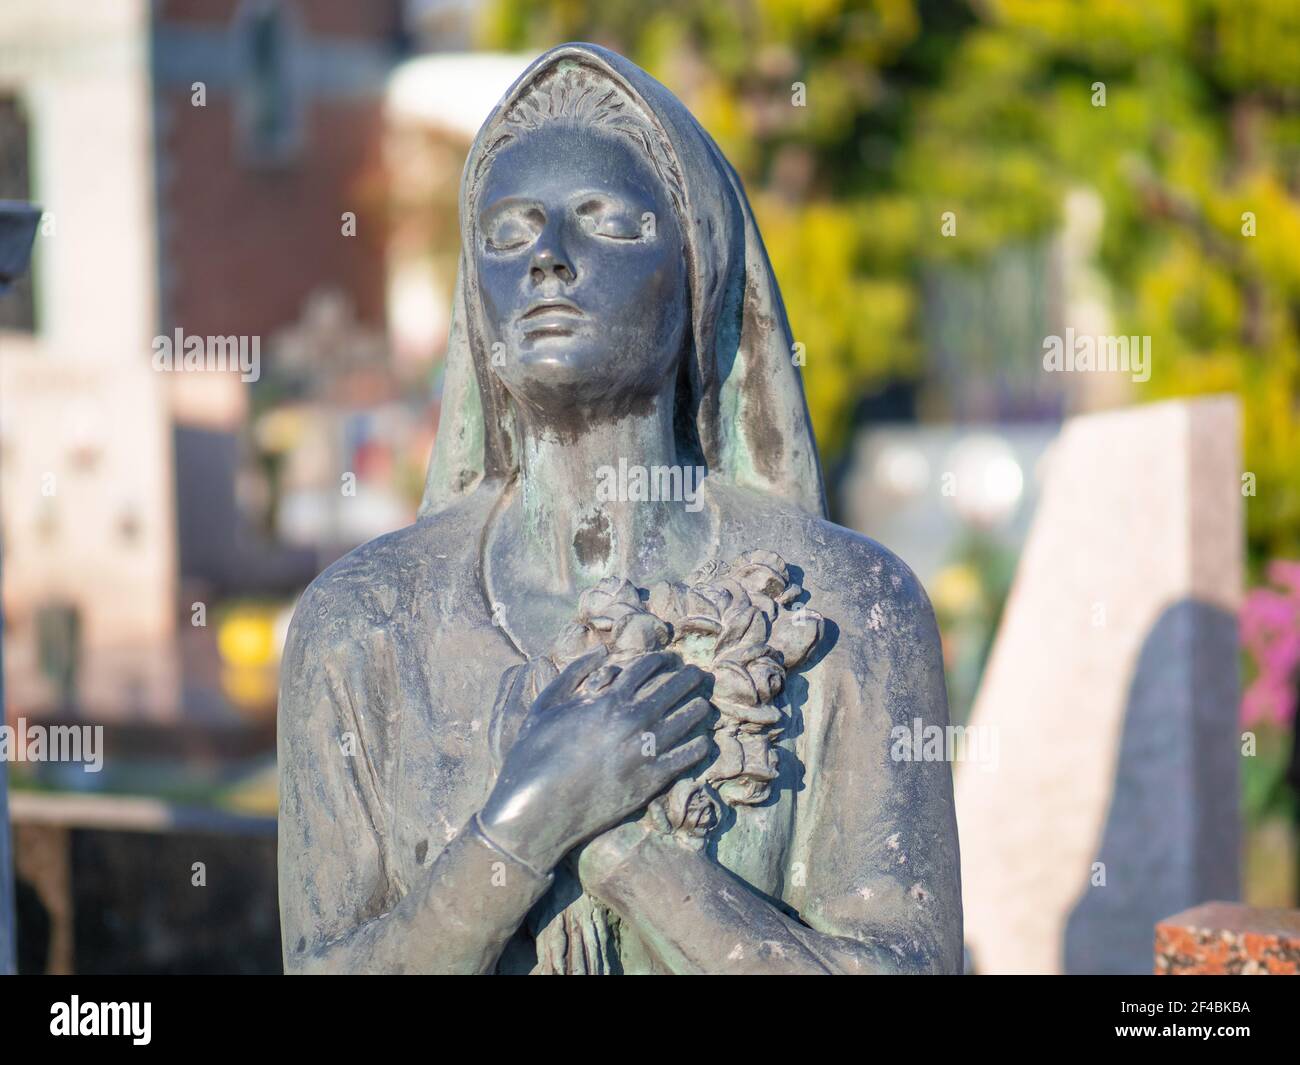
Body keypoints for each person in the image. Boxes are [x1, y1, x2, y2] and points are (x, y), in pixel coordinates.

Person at [278, 42, 961, 975]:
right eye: (508, 235)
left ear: (698, 273)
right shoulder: (361, 622)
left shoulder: (850, 607)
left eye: (607, 225)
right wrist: (526, 822)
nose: (548, 261)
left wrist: (628, 855)